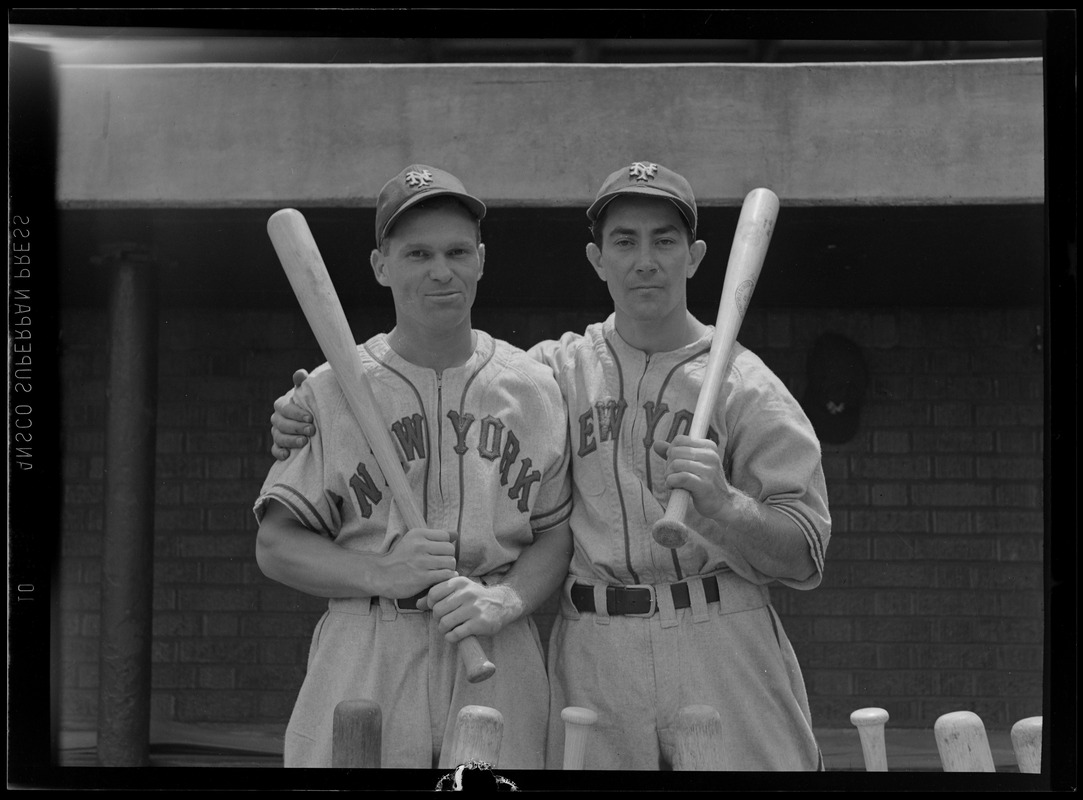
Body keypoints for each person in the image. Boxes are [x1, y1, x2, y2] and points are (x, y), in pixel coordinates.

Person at [271, 161, 830, 771]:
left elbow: (803, 555)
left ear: (694, 256)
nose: (645, 260)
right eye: (625, 240)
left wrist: (725, 505)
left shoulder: (747, 388)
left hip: (721, 630)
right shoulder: (557, 372)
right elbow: (458, 379)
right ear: (596, 259)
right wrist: (302, 406)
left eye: (664, 240)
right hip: (593, 650)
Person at [254, 164, 573, 770]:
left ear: (480, 259)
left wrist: (507, 600)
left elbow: (556, 532)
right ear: (382, 266)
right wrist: (382, 571)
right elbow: (275, 545)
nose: (440, 271)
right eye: (418, 253)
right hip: (368, 642)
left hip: (496, 644)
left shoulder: (535, 388)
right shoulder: (330, 389)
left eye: (456, 252)